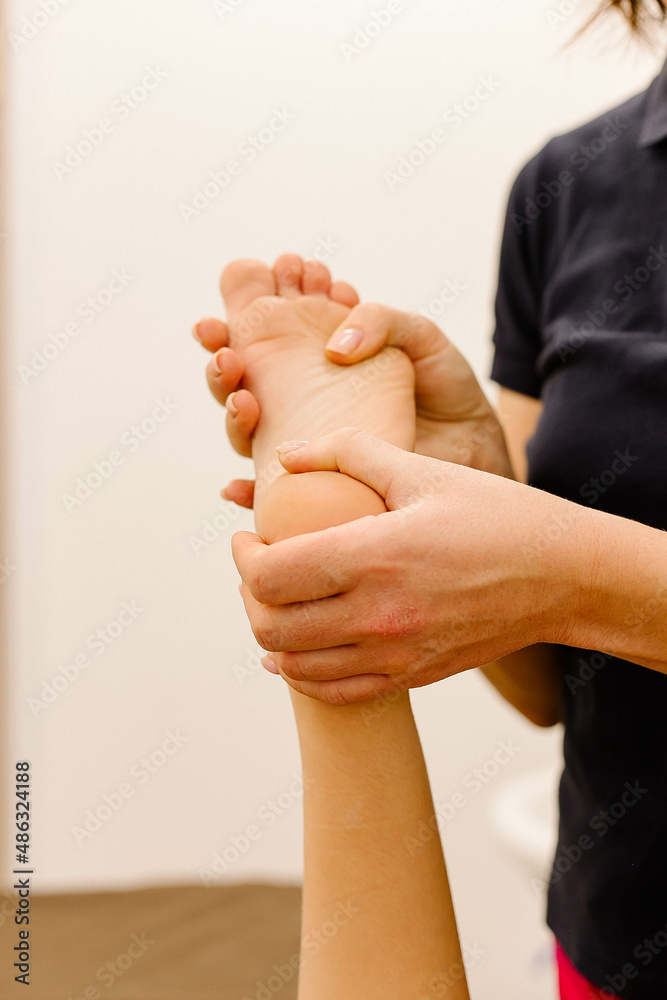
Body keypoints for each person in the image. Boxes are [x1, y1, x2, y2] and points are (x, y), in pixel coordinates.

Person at [193, 3, 667, 996]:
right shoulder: (567, 187)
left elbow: (567, 583)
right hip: (620, 928)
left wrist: (568, 568)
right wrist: (476, 476)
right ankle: (332, 524)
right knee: (338, 626)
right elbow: (552, 683)